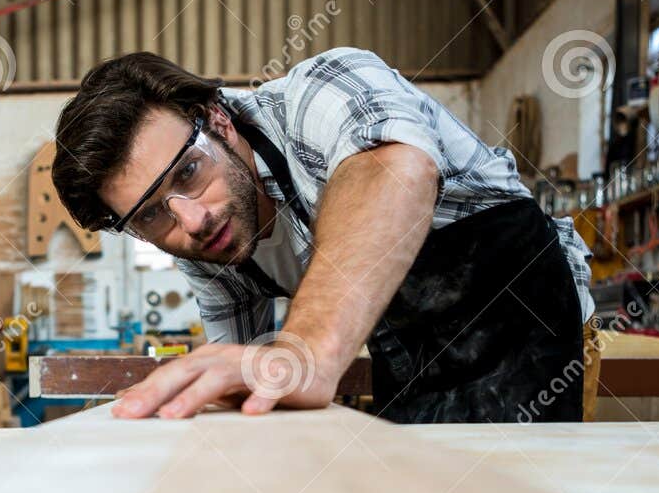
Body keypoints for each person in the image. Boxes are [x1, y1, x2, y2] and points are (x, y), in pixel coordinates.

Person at [49, 48, 594, 422]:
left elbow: (389, 172)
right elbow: (241, 371)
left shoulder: (321, 93)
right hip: (411, 361)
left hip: (526, 322)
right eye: (150, 216)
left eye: (189, 172)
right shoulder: (204, 244)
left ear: (217, 119)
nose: (191, 222)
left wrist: (303, 351)